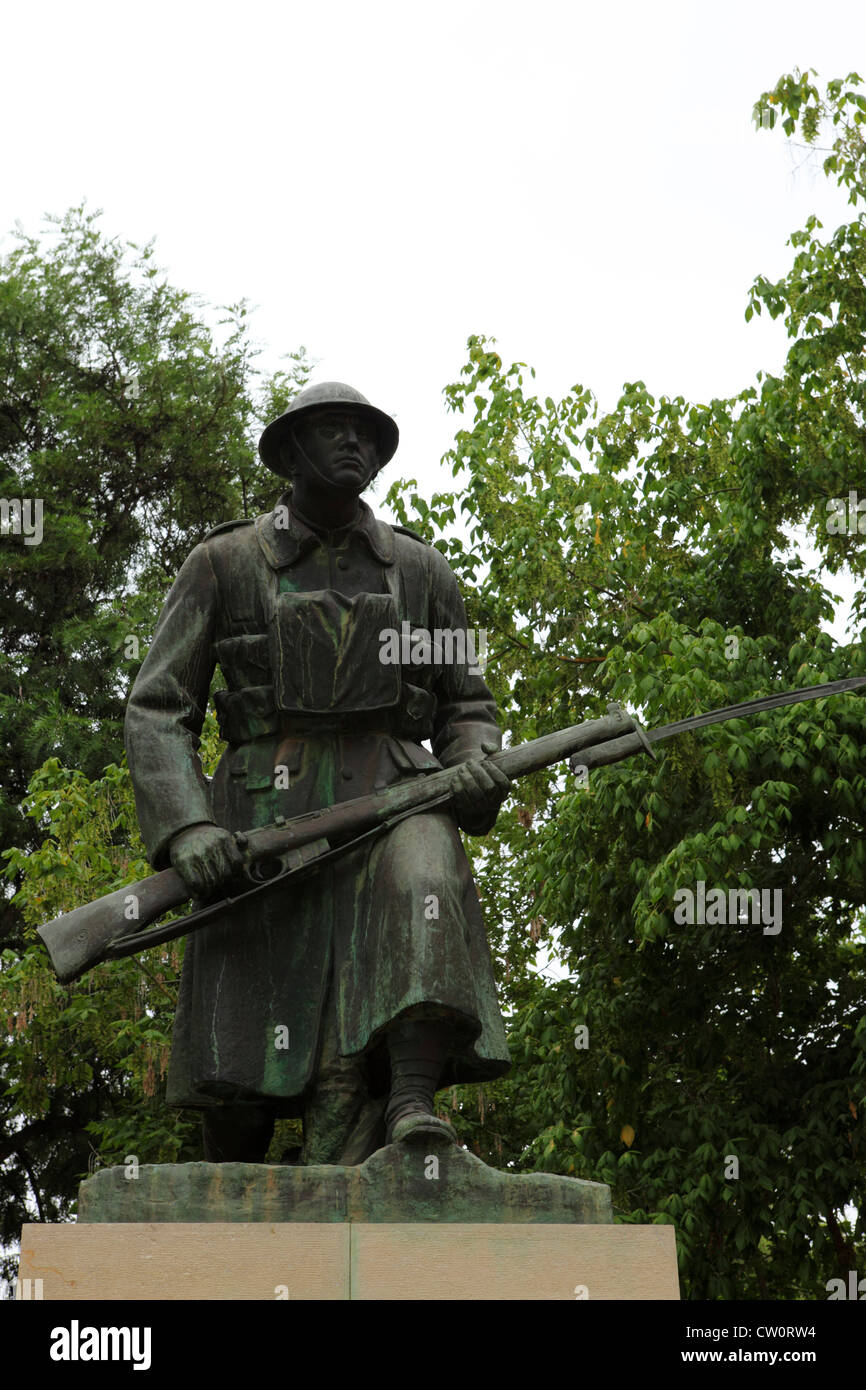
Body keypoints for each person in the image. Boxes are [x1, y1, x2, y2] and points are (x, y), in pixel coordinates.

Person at [124, 381, 512, 1165]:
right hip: (262, 814)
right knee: (244, 1047)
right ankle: (235, 1172)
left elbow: (466, 708)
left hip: (399, 794)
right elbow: (157, 707)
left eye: (366, 436)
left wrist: (474, 765)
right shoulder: (223, 563)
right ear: (290, 453)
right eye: (333, 432)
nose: (354, 447)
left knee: (425, 885)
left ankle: (410, 1098)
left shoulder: (424, 574)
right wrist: (189, 826)